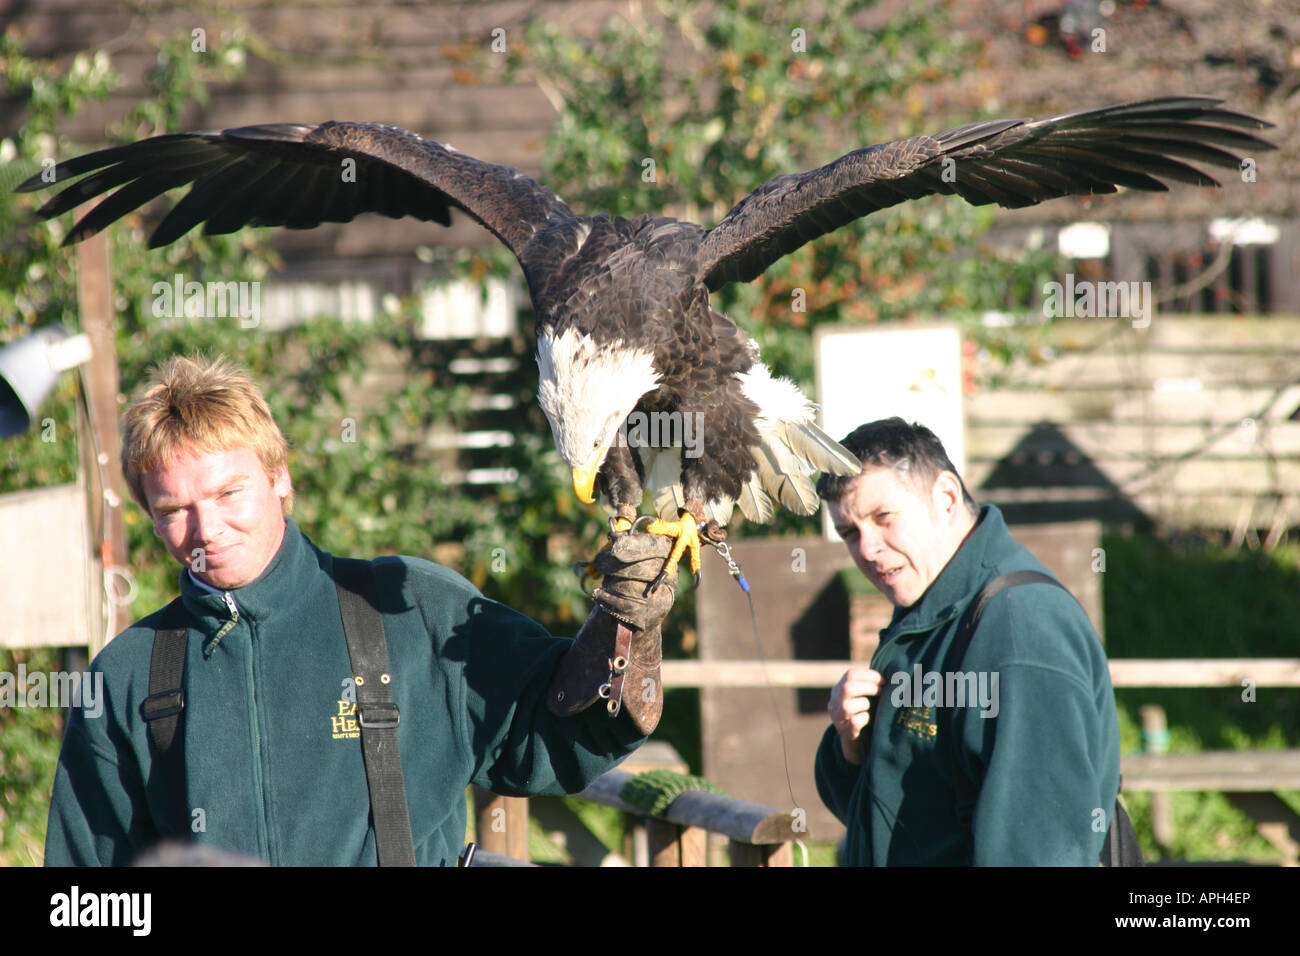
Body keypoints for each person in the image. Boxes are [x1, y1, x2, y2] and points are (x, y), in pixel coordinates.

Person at [45, 353, 675, 866]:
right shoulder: (125, 678)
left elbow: (559, 734)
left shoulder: (409, 608)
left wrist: (626, 632)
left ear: (280, 478)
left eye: (228, 491)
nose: (205, 528)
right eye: (173, 510)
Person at [814, 417, 1120, 865]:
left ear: (947, 498)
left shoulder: (1020, 629)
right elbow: (888, 820)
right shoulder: (933, 607)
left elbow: (1038, 851)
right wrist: (851, 748)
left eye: (883, 518)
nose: (867, 549)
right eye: (850, 533)